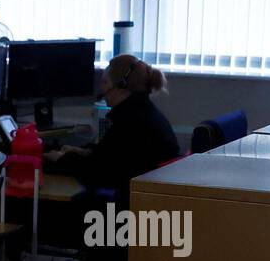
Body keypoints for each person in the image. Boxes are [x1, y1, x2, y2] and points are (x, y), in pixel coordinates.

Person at [45, 55, 180, 196]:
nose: (100, 88)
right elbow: (111, 156)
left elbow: (99, 172)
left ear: (121, 86)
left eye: (104, 82)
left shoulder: (131, 122)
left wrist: (61, 159)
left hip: (130, 204)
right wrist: (82, 152)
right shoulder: (142, 112)